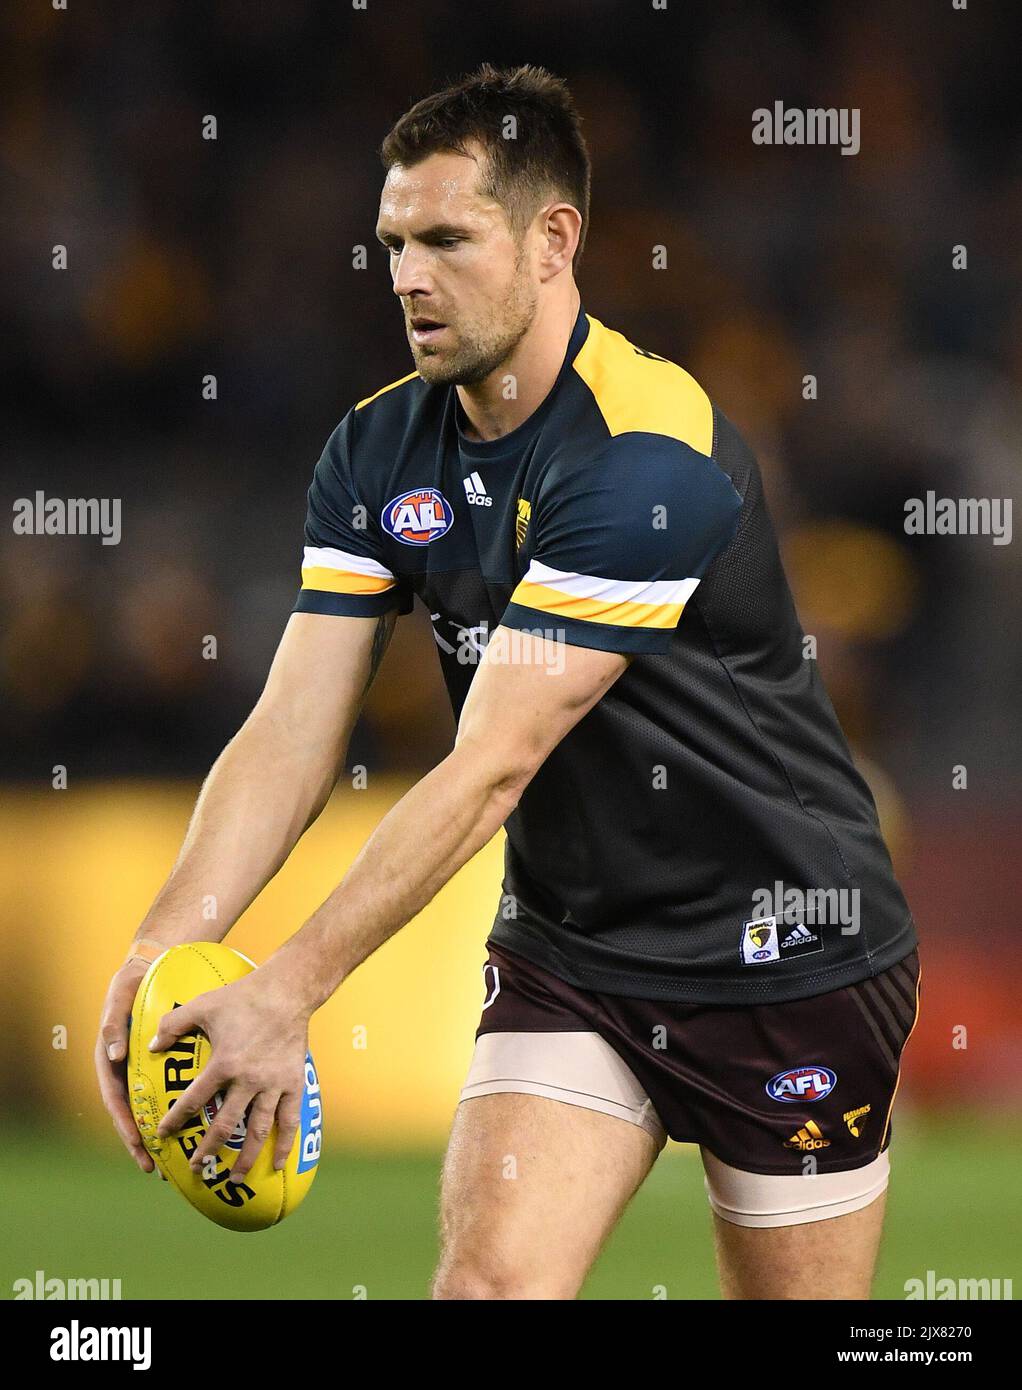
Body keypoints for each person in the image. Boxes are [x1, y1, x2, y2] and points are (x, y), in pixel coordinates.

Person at [97, 63, 920, 1300]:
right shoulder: (376, 446)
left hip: (785, 952)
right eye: (391, 244)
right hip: (574, 952)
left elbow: (490, 764)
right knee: (485, 1288)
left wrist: (290, 990)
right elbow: (292, 728)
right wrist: (169, 943)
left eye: (446, 239)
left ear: (552, 241)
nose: (409, 277)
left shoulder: (646, 455)